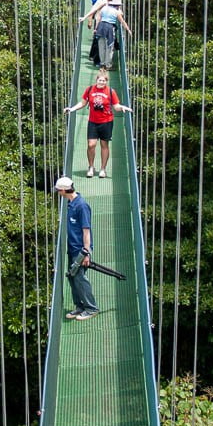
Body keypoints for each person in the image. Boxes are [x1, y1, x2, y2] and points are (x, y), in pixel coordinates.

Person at [63, 69, 133, 178]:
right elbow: (83, 102)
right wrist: (72, 109)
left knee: (104, 145)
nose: (101, 82)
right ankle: (91, 167)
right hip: (93, 122)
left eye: (104, 81)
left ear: (106, 81)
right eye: (100, 80)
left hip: (106, 122)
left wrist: (122, 107)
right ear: (96, 80)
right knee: (91, 145)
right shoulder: (90, 89)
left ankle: (103, 169)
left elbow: (116, 106)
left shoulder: (110, 91)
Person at [55, 176, 98, 320]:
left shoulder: (81, 206)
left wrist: (86, 252)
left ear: (63, 190)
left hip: (80, 250)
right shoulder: (70, 203)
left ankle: (91, 308)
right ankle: (79, 306)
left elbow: (86, 230)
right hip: (72, 248)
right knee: (72, 277)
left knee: (80, 278)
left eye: (58, 191)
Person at [80, 0, 131, 69]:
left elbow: (99, 19)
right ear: (117, 5)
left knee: (101, 46)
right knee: (109, 47)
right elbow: (122, 22)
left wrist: (96, 29)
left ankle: (102, 63)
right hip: (109, 28)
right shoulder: (116, 12)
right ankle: (108, 65)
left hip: (101, 27)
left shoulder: (103, 9)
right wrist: (128, 30)